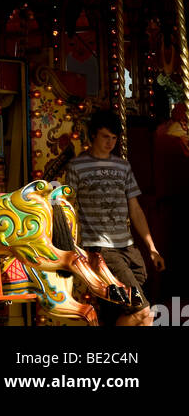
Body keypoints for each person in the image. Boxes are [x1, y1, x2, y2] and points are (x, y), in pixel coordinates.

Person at [64, 109, 165, 326]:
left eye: (114, 138)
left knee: (132, 315)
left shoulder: (122, 166)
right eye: (105, 137)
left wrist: (151, 248)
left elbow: (135, 209)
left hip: (129, 249)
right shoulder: (77, 166)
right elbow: (67, 207)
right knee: (144, 312)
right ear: (93, 135)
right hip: (103, 250)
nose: (110, 142)